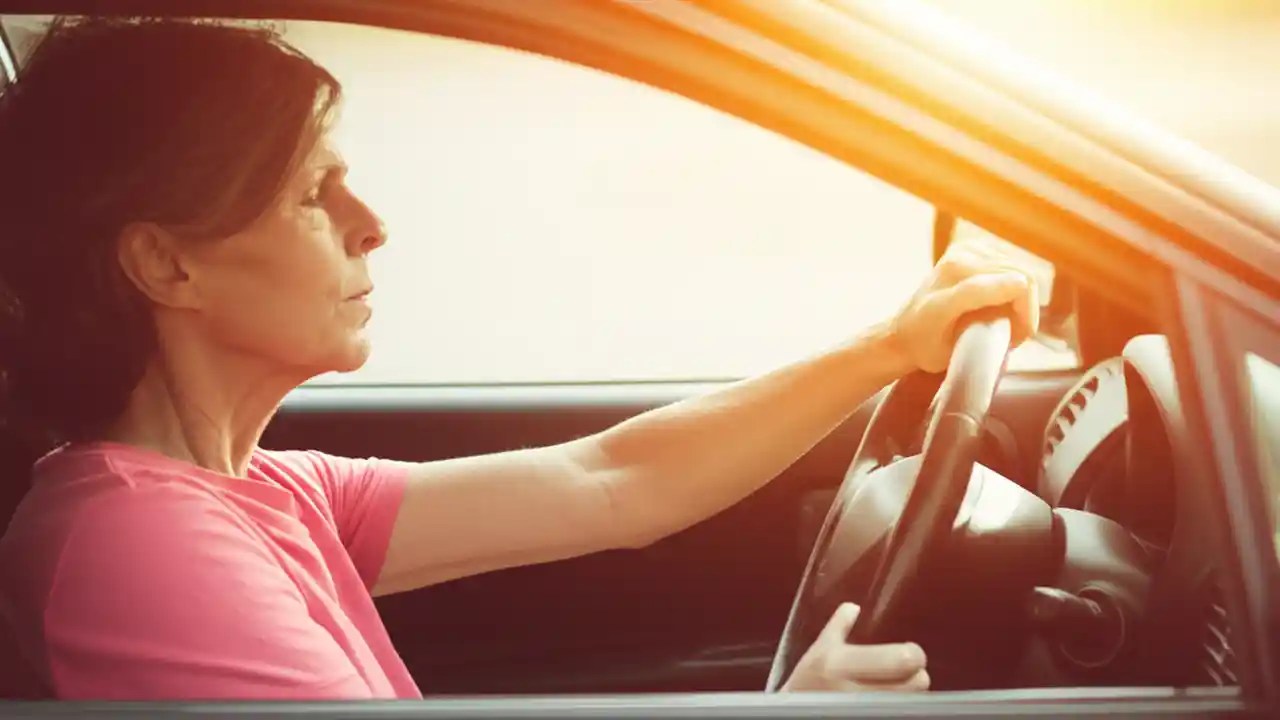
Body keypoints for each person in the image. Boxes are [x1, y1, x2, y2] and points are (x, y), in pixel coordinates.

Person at [0, 17, 1038, 700]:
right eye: (313, 193)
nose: (371, 226)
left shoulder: (263, 491)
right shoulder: (133, 542)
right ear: (164, 265)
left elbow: (614, 482)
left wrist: (890, 347)